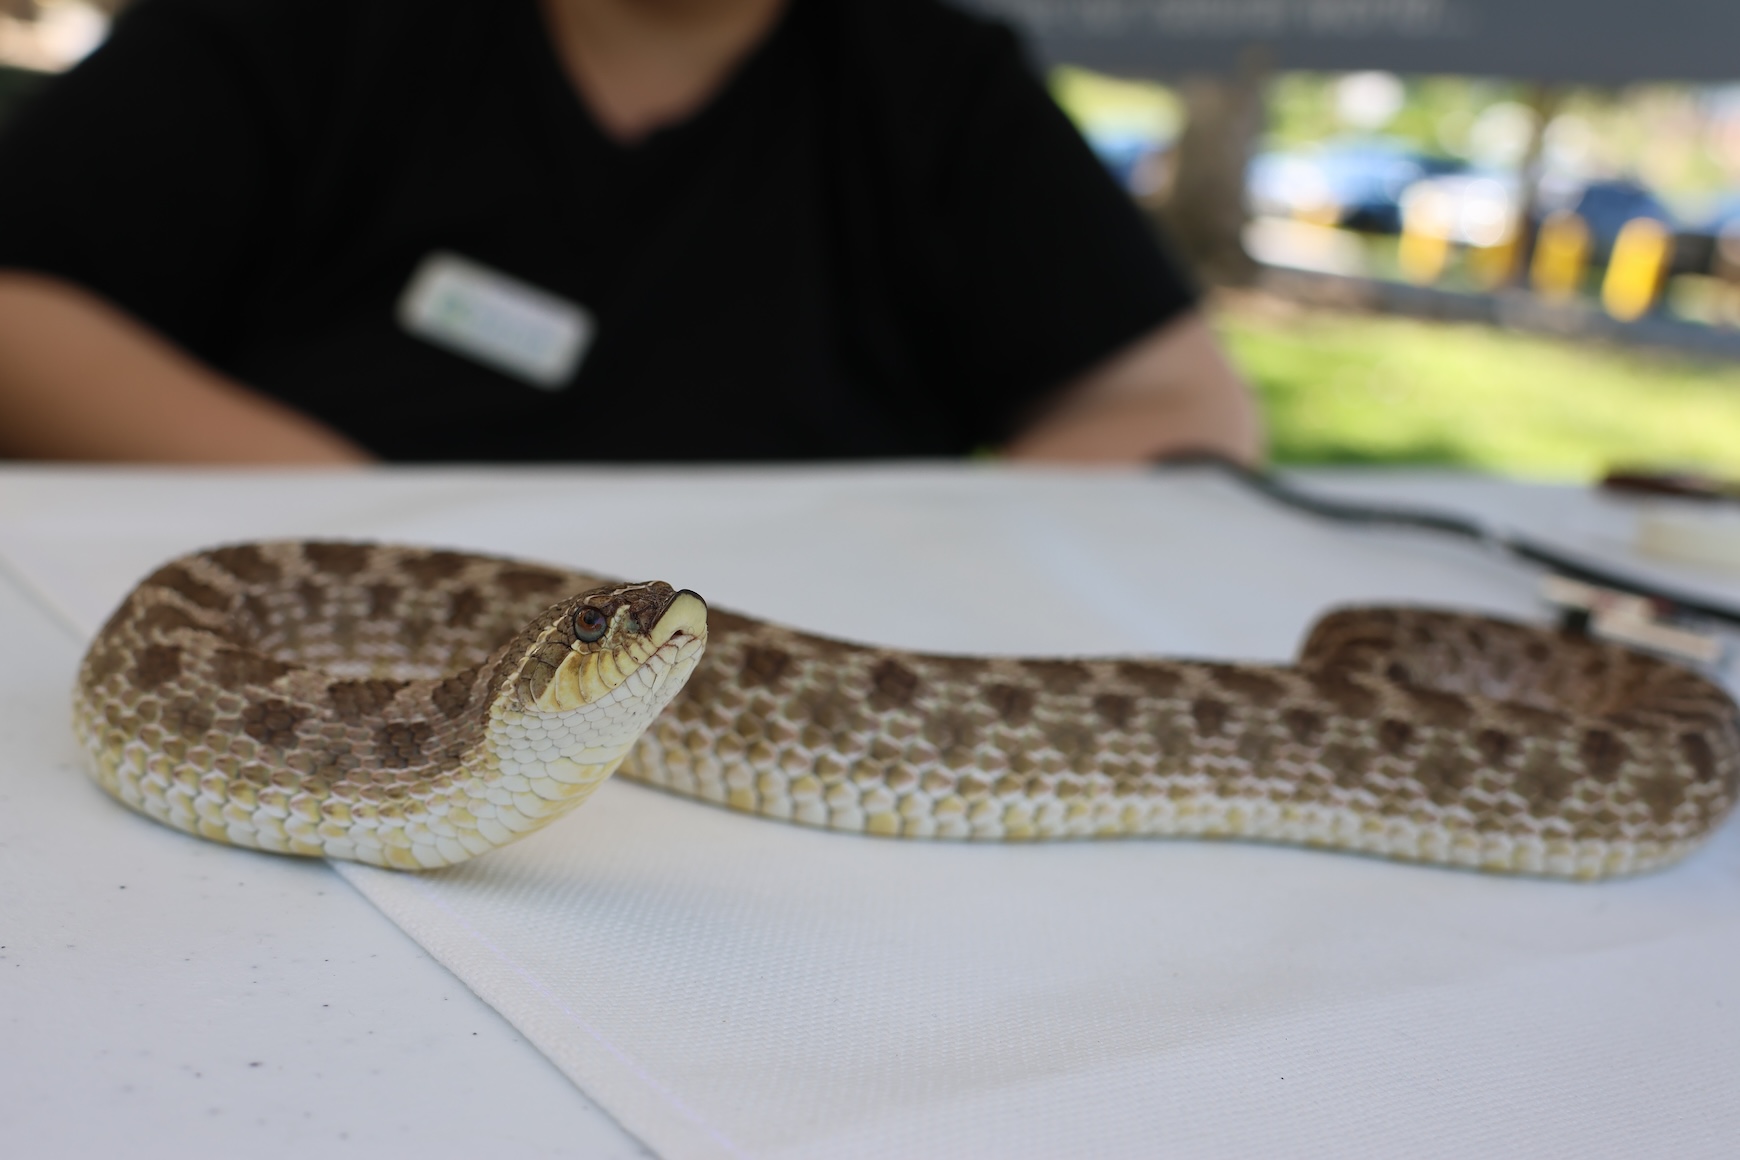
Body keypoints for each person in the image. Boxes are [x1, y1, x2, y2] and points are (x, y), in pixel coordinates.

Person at [0, 0, 1262, 465]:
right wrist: (362, 527)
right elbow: (23, 304)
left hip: (757, 716)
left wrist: (881, 585)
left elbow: (1180, 405)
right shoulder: (297, 28)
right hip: (319, 655)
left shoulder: (937, 82)